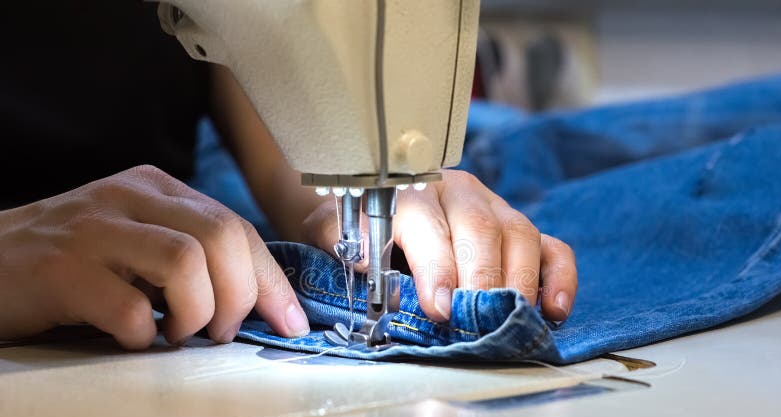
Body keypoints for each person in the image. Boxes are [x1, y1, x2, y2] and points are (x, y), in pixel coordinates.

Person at [0, 3, 577, 350]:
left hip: (205, 191)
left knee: (499, 155)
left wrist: (369, 178)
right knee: (531, 148)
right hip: (175, 219)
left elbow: (269, 83)